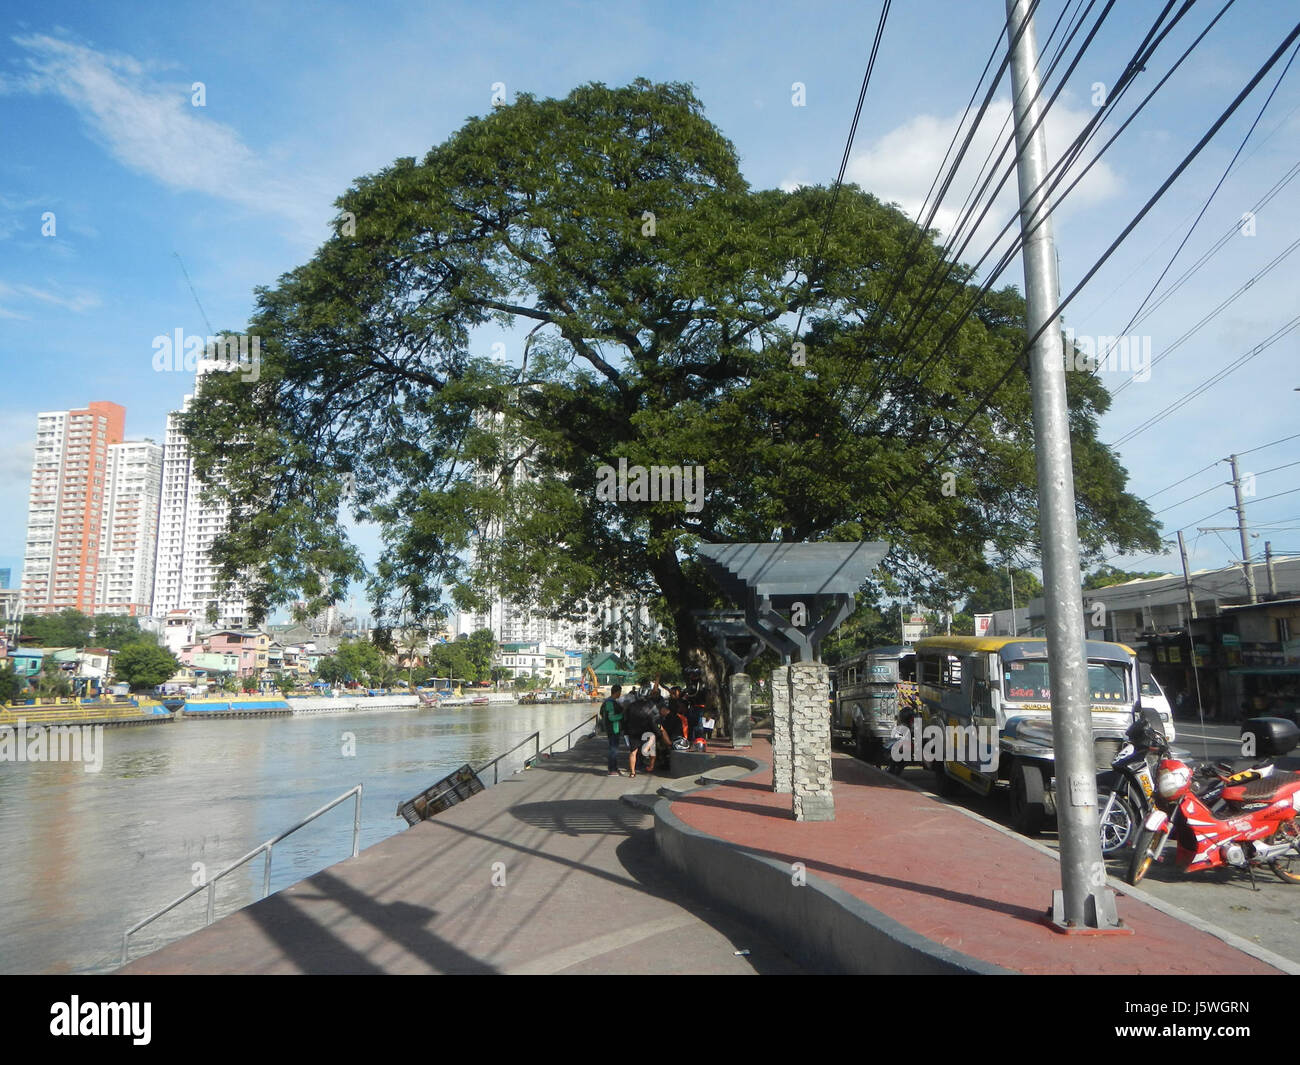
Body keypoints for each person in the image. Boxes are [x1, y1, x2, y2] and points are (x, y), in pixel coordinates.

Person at [600, 685, 626, 776]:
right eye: (620, 692)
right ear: (617, 692)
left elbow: (602, 714)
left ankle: (614, 768)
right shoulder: (610, 703)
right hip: (613, 728)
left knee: (614, 749)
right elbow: (611, 717)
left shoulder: (608, 702)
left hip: (612, 728)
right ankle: (612, 770)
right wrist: (622, 715)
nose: (620, 694)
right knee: (613, 749)